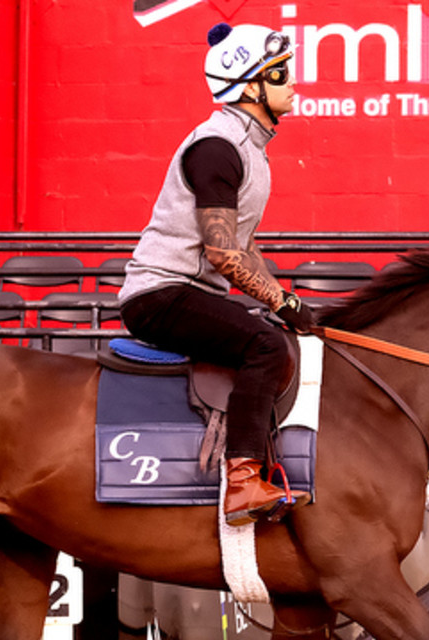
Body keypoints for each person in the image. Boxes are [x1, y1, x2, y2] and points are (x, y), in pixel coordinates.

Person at [119, 22, 317, 527]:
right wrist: (281, 303)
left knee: (277, 333)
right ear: (252, 86)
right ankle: (244, 483)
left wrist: (287, 302)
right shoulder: (218, 147)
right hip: (160, 295)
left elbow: (244, 247)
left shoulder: (249, 148)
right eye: (281, 73)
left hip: (187, 291)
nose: (293, 82)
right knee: (266, 345)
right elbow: (225, 254)